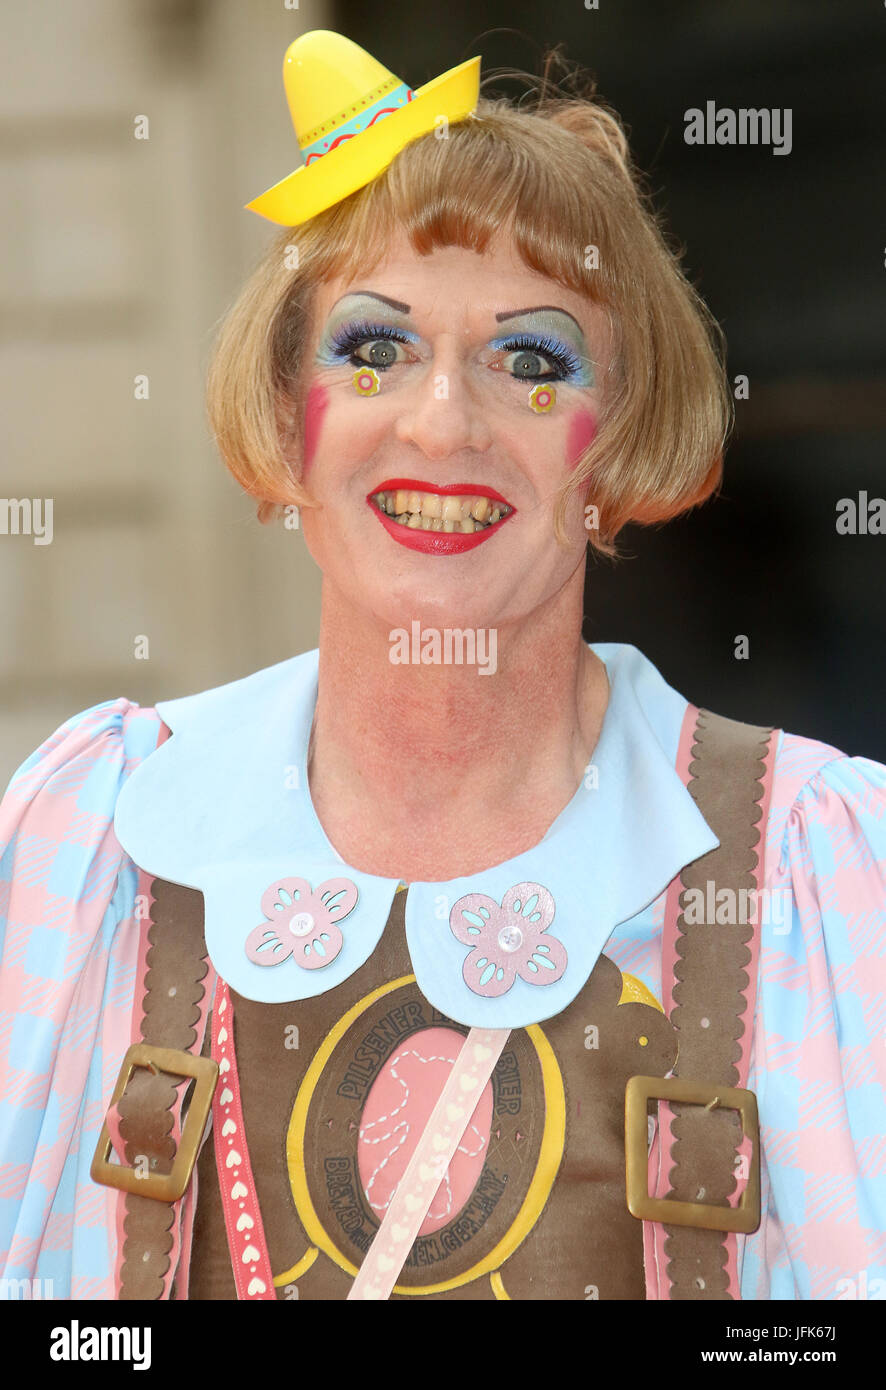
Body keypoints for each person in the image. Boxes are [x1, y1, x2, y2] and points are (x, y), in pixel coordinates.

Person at [1, 29, 884, 1303]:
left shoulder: (817, 876)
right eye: (374, 347)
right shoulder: (97, 838)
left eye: (532, 362)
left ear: (617, 438)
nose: (442, 421)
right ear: (285, 410)